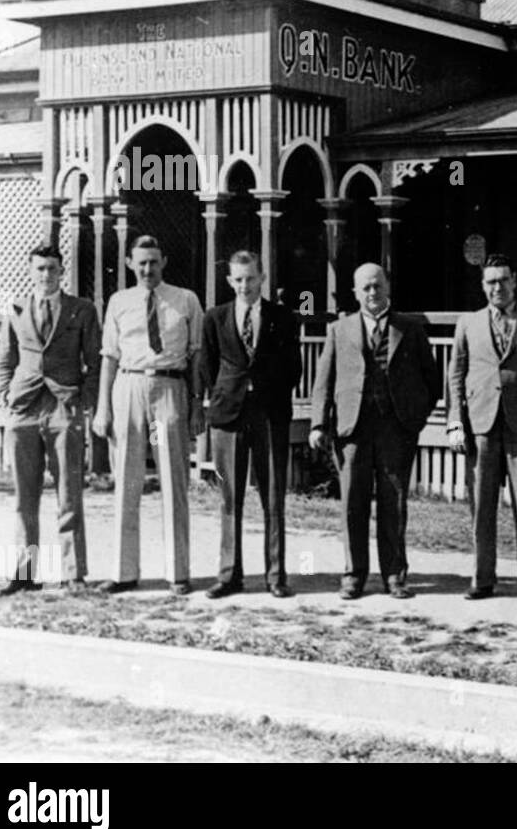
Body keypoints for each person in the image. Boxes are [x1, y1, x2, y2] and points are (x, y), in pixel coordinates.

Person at [309, 263, 439, 599]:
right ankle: (354, 574)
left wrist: (415, 420)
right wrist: (319, 423)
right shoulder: (340, 330)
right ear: (355, 292)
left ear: (388, 286)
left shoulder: (409, 328)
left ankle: (394, 575)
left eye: (377, 286)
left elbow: (431, 381)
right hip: (352, 429)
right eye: (365, 287)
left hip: (396, 429)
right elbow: (323, 381)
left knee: (393, 502)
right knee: (353, 501)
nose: (372, 293)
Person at [91, 235, 204, 595]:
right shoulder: (118, 302)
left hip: (169, 389)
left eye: (154, 261)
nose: (148, 269)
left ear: (164, 262)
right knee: (127, 478)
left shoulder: (185, 300)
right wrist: (103, 406)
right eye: (141, 262)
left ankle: (178, 573)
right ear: (129, 263)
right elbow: (109, 356)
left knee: (174, 479)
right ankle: (124, 572)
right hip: (129, 388)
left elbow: (197, 356)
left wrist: (198, 404)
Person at [447, 254, 517, 601]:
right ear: (483, 286)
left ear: (515, 282)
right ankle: (483, 579)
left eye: (503, 280)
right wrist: (454, 422)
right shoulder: (468, 323)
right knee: (481, 506)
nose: (497, 287)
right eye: (490, 281)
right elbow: (455, 375)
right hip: (480, 425)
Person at [0, 243, 101, 595]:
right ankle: (24, 574)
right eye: (39, 268)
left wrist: (83, 402)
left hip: (63, 408)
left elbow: (95, 364)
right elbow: (5, 360)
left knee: (69, 495)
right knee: (24, 498)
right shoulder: (14, 308)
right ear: (30, 271)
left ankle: (73, 574)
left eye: (52, 268)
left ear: (61, 271)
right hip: (23, 409)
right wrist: (6, 398)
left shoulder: (81, 310)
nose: (46, 275)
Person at [201, 250, 301, 600]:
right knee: (230, 498)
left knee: (273, 496)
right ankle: (229, 575)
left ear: (262, 278)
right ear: (230, 281)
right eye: (238, 279)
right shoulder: (215, 318)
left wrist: (265, 391)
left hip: (269, 417)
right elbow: (208, 368)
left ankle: (276, 575)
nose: (245, 285)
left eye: (251, 278)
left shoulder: (284, 318)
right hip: (229, 417)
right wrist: (230, 394)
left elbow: (294, 369)